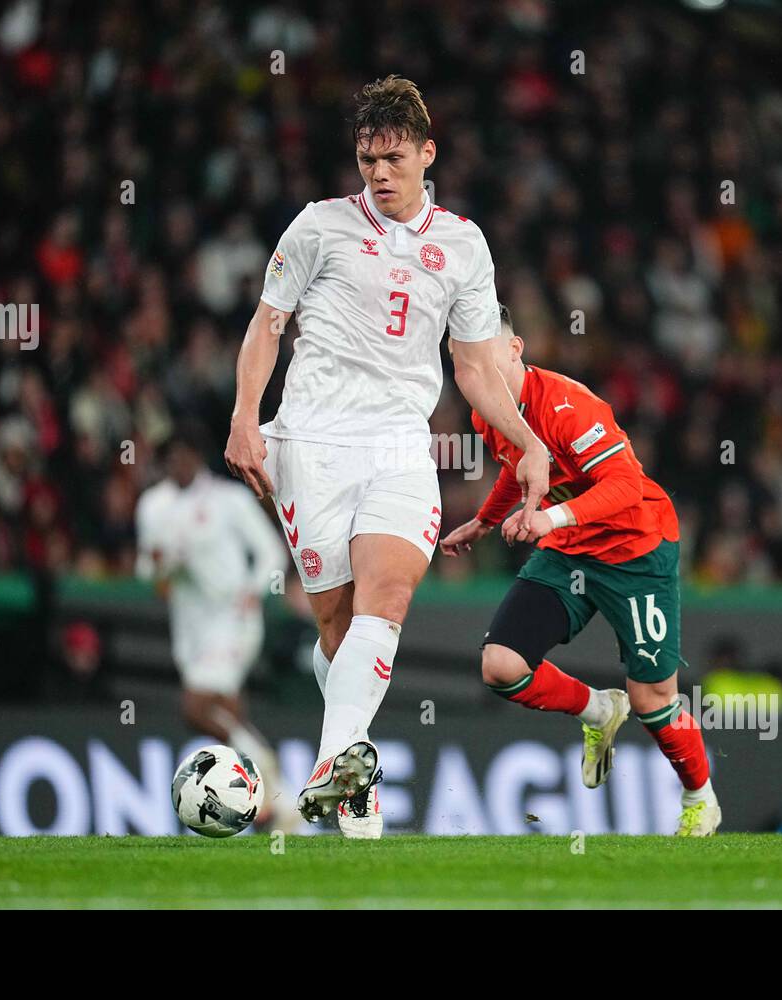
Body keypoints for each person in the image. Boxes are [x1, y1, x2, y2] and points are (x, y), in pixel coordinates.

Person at [224, 76, 549, 838]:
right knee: (337, 631)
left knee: (389, 597)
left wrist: (530, 442)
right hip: (308, 441)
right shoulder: (317, 227)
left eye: (394, 157)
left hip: (402, 445)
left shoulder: (463, 245)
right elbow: (266, 326)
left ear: (426, 153)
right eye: (368, 157)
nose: (379, 172)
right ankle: (358, 787)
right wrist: (246, 419)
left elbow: (474, 367)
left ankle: (331, 760)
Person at [439, 307, 720, 836]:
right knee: (501, 665)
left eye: (485, 350)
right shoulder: (487, 412)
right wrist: (482, 523)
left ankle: (700, 796)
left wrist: (548, 517)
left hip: (636, 550)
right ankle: (596, 711)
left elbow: (624, 487)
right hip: (571, 548)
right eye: (464, 358)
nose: (476, 367)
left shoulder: (569, 408)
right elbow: (514, 467)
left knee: (653, 701)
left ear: (516, 349)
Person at [136, 425, 292, 829]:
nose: (176, 462)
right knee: (224, 708)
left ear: (197, 456)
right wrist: (161, 565)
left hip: (233, 619)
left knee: (196, 705)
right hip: (190, 626)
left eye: (182, 453)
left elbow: (271, 550)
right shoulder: (153, 506)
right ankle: (263, 804)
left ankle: (260, 768)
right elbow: (148, 570)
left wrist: (255, 590)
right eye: (168, 456)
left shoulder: (229, 499)